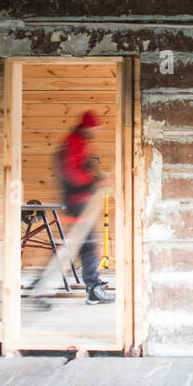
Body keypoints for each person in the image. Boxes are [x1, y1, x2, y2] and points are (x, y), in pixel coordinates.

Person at [57, 110, 115, 304]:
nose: (98, 131)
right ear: (89, 126)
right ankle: (93, 289)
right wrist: (96, 182)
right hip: (77, 202)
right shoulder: (74, 142)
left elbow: (84, 169)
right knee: (88, 245)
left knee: (85, 245)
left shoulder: (80, 141)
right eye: (96, 128)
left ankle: (92, 286)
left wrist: (98, 178)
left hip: (81, 200)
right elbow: (72, 173)